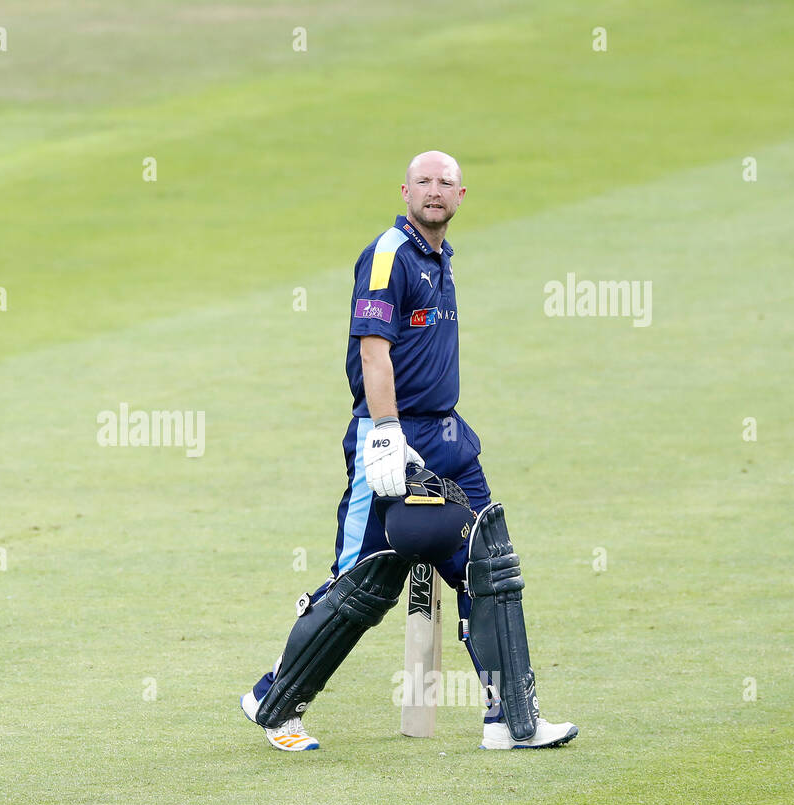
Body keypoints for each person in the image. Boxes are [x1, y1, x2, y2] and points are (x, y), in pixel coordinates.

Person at [240, 151, 578, 752]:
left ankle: (512, 721)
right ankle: (275, 702)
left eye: (445, 182)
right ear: (404, 191)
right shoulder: (388, 254)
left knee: (488, 566)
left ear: (461, 196)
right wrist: (385, 431)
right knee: (362, 582)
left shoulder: (442, 258)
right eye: (423, 181)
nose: (434, 190)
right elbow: (374, 350)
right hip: (392, 440)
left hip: (450, 440)